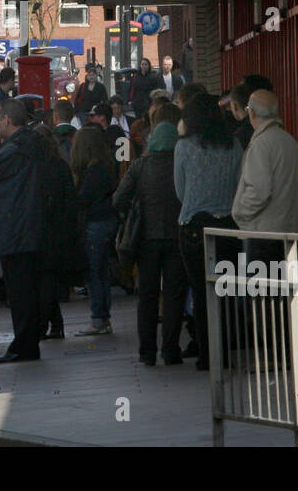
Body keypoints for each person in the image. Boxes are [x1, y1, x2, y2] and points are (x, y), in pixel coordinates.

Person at [174, 94, 244, 369]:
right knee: (225, 292)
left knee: (201, 292)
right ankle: (225, 352)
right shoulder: (234, 146)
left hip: (193, 225)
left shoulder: (183, 147)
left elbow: (181, 190)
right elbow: (240, 185)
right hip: (227, 226)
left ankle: (207, 355)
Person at [114, 103, 187, 365]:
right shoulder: (182, 161)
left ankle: (147, 352)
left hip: (146, 239)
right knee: (173, 295)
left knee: (147, 295)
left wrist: (133, 212)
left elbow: (118, 199)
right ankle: (170, 350)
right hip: (177, 237)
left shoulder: (140, 165)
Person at [0, 98, 49, 363]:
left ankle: (23, 345)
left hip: (16, 230)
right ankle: (27, 343)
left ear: (7, 121)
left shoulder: (14, 148)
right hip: (29, 227)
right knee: (27, 290)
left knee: (20, 292)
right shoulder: (34, 143)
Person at [232, 89, 298, 264]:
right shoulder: (290, 141)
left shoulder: (260, 145)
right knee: (282, 289)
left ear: (251, 112)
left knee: (261, 289)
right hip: (288, 231)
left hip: (262, 232)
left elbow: (258, 190)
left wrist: (239, 213)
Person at [33, 125, 82, 340]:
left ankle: (46, 324)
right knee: (49, 281)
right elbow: (70, 201)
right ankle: (55, 323)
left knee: (42, 282)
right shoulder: (60, 165)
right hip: (59, 233)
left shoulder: (33, 168)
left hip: (41, 232)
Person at [73, 125, 119, 335]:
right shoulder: (106, 167)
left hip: (95, 224)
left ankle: (98, 319)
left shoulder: (92, 172)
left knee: (93, 273)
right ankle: (104, 318)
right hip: (108, 221)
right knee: (102, 273)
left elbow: (82, 199)